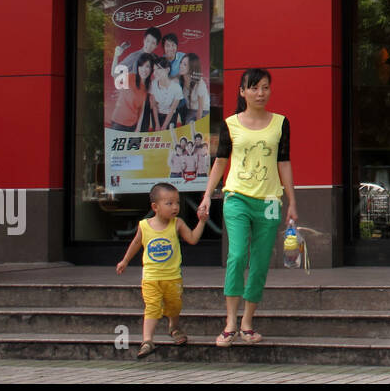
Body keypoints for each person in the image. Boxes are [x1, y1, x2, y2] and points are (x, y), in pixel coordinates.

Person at [198, 68, 298, 347]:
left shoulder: (281, 123)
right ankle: (230, 322)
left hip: (268, 201)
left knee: (260, 261)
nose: (260, 93)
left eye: (265, 87)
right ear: (242, 92)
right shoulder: (230, 124)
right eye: (253, 88)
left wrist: (292, 201)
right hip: (237, 197)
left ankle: (247, 322)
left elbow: (284, 162)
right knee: (238, 254)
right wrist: (207, 195)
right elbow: (220, 161)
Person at [116, 181, 206, 359]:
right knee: (152, 307)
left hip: (172, 277)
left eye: (177, 203)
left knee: (174, 306)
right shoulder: (144, 226)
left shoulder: (177, 224)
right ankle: (147, 340)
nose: (175, 207)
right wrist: (125, 260)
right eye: (169, 203)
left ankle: (174, 327)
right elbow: (135, 243)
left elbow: (193, 239)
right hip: (151, 277)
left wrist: (202, 222)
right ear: (155, 207)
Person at [109, 52, 155, 132]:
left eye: (147, 66)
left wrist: (138, 128)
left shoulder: (148, 86)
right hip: (118, 123)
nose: (144, 70)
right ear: (137, 67)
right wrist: (116, 56)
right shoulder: (129, 77)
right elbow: (114, 74)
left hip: (132, 125)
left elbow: (142, 109)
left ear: (151, 69)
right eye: (141, 66)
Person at [149, 57, 183, 130]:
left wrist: (164, 126)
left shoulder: (176, 88)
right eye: (154, 69)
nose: (155, 72)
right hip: (157, 115)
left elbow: (172, 109)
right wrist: (157, 124)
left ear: (167, 70)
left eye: (158, 69)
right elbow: (154, 105)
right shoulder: (153, 84)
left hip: (170, 116)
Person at [180, 53, 209, 124]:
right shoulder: (181, 81)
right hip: (190, 111)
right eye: (181, 63)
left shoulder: (199, 83)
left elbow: (201, 107)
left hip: (203, 112)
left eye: (185, 64)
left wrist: (198, 124)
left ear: (192, 67)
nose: (181, 66)